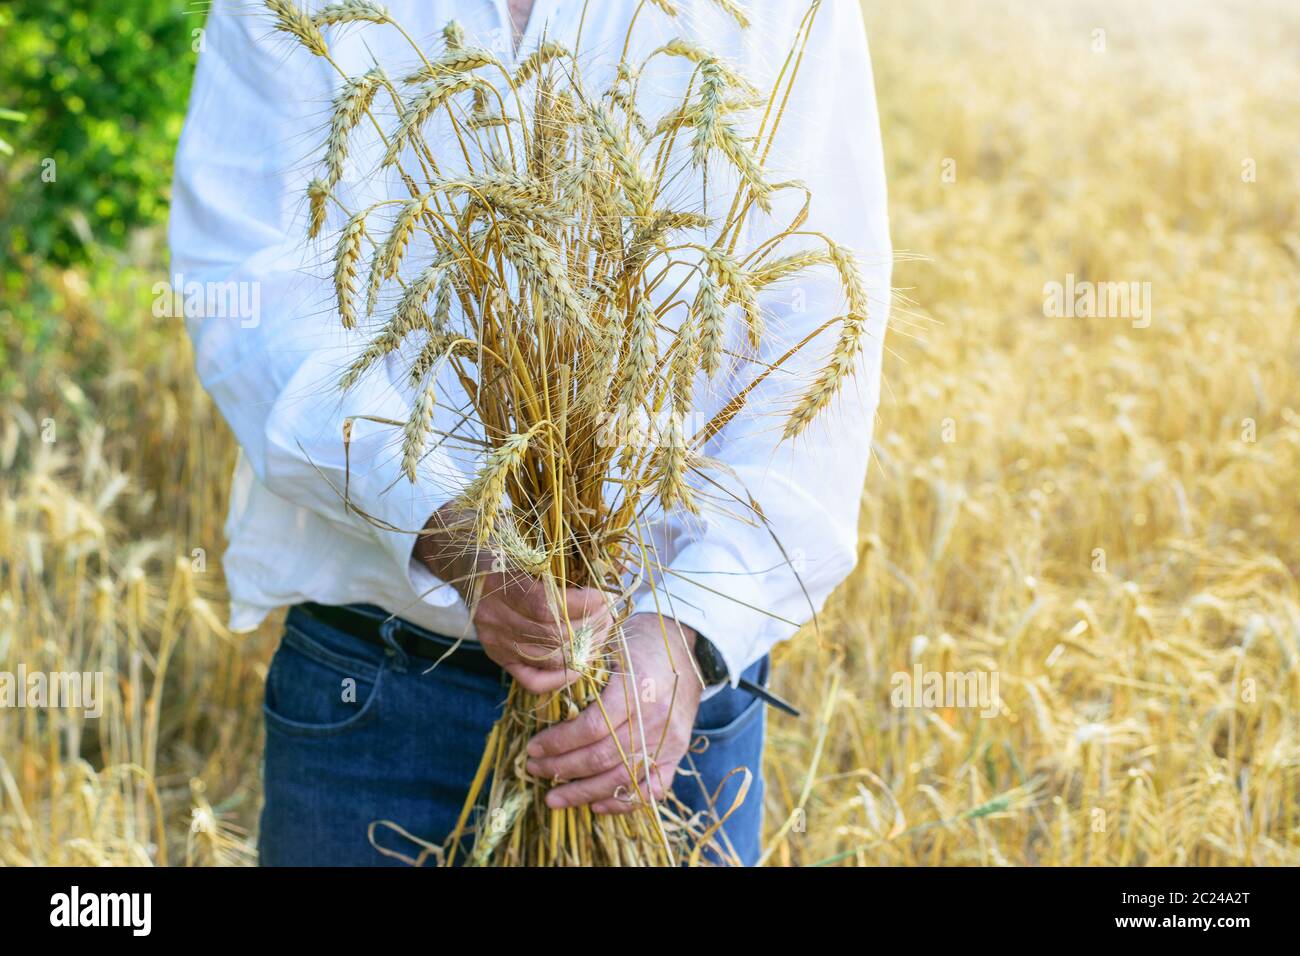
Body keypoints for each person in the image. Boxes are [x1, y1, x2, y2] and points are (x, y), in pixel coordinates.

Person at [170, 0, 891, 866]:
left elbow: (816, 317)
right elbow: (248, 290)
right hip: (377, 698)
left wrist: (686, 628)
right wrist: (452, 529)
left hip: (666, 711)